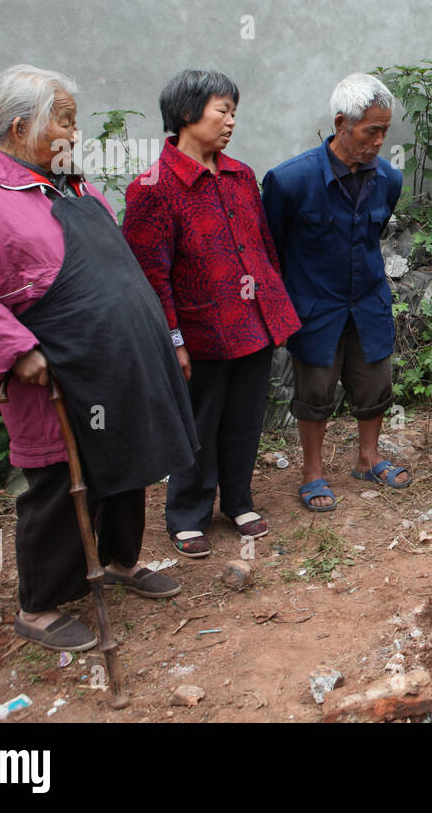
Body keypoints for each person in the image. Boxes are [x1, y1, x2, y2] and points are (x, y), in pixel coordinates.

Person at [0, 64, 197, 652]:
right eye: (66, 120)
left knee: (127, 466)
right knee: (56, 485)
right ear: (20, 127)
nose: (76, 132)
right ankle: (40, 606)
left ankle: (121, 561)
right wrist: (14, 351)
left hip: (117, 368)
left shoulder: (74, 185)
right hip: (54, 374)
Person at [123, 70, 300, 558]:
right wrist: (172, 338)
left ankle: (238, 500)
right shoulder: (152, 189)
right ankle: (187, 512)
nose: (231, 121)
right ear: (187, 113)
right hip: (200, 330)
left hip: (253, 324)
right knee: (198, 424)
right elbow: (150, 276)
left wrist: (275, 310)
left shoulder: (240, 175)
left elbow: (263, 247)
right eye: (222, 110)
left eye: (233, 113)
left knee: (245, 418)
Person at [262, 73, 410, 511]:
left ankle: (369, 458)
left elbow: (373, 232)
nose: (381, 141)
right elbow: (272, 249)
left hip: (367, 300)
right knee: (315, 393)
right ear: (342, 123)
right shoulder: (289, 181)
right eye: (372, 131)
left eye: (386, 131)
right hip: (315, 305)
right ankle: (313, 472)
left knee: (374, 383)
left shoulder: (388, 179)